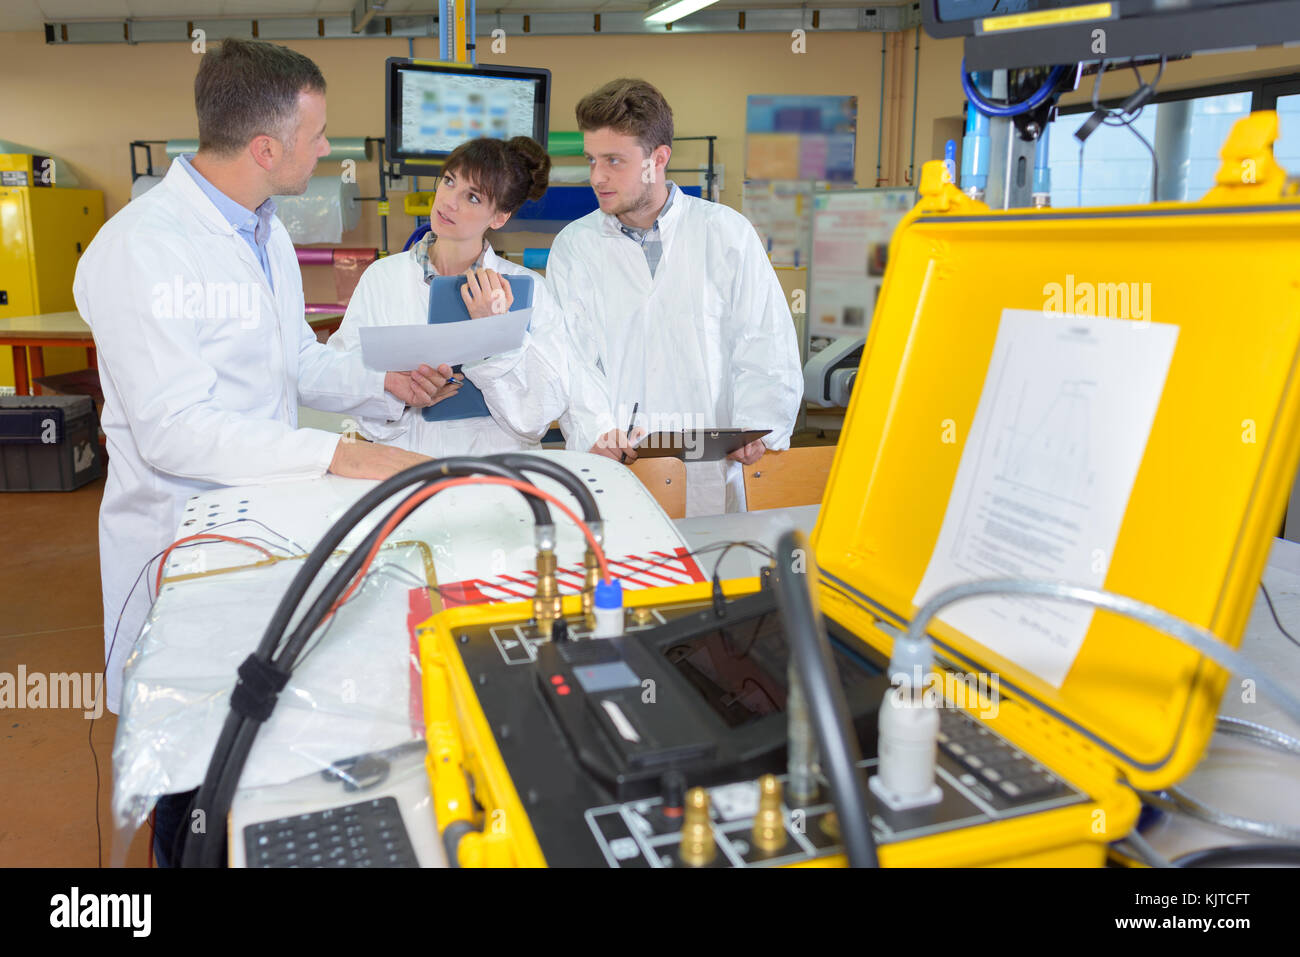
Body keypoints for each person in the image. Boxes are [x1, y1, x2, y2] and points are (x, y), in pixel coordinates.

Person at [72, 38, 445, 717]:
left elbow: (292, 359)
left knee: (251, 724)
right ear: (266, 150)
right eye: (318, 133)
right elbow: (173, 430)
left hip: (261, 520)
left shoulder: (265, 231)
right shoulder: (142, 248)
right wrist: (337, 451)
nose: (327, 147)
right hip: (177, 541)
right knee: (187, 752)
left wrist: (380, 381)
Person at [545, 78, 804, 515]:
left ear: (657, 159)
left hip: (714, 468)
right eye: (591, 160)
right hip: (616, 467)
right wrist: (595, 430)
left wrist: (758, 423)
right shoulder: (576, 246)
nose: (597, 176)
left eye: (613, 160)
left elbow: (765, 339)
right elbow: (570, 356)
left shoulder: (724, 233)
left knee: (714, 574)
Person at [328, 136, 571, 456]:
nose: (449, 202)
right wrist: (397, 394)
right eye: (448, 181)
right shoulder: (382, 278)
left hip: (498, 476)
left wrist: (493, 336)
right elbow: (344, 381)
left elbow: (537, 417)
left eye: (472, 197)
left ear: (499, 216)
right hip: (407, 471)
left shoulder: (528, 290)